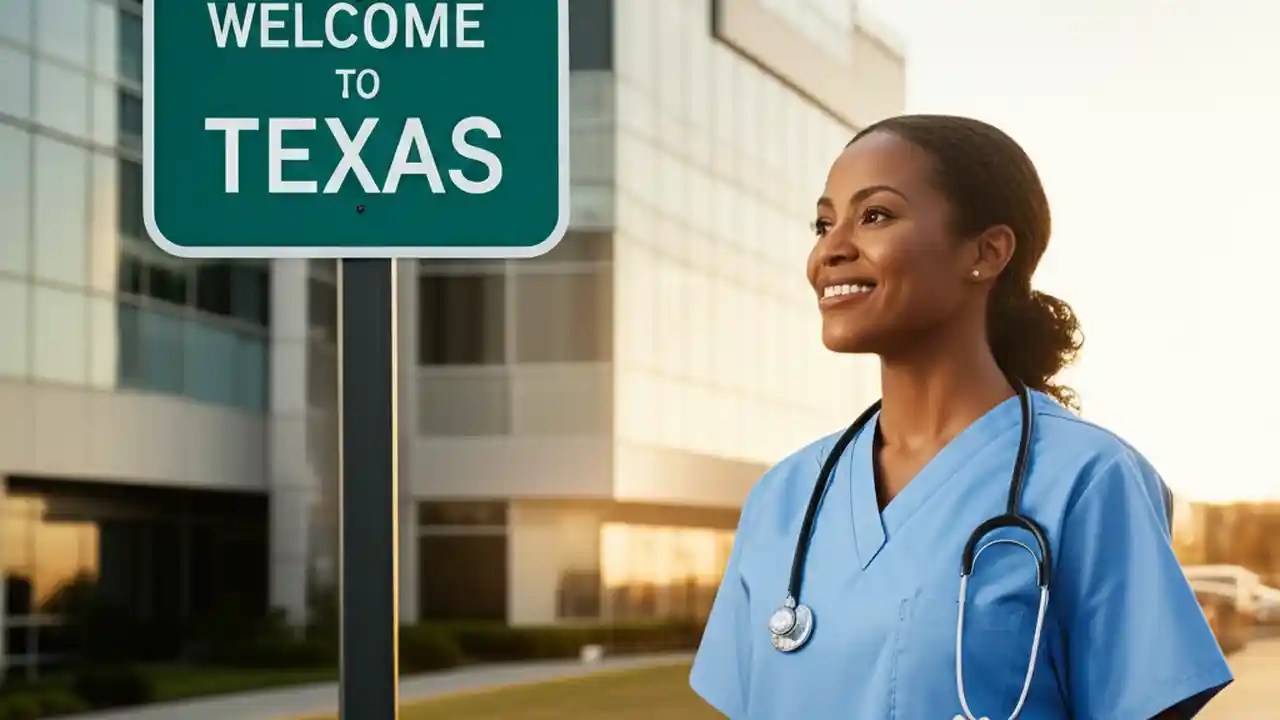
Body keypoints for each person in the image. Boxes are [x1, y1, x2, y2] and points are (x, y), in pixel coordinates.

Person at [688, 114, 1233, 719]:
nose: (830, 249)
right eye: (823, 223)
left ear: (987, 251)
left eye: (875, 216)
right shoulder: (783, 497)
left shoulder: (1088, 479)